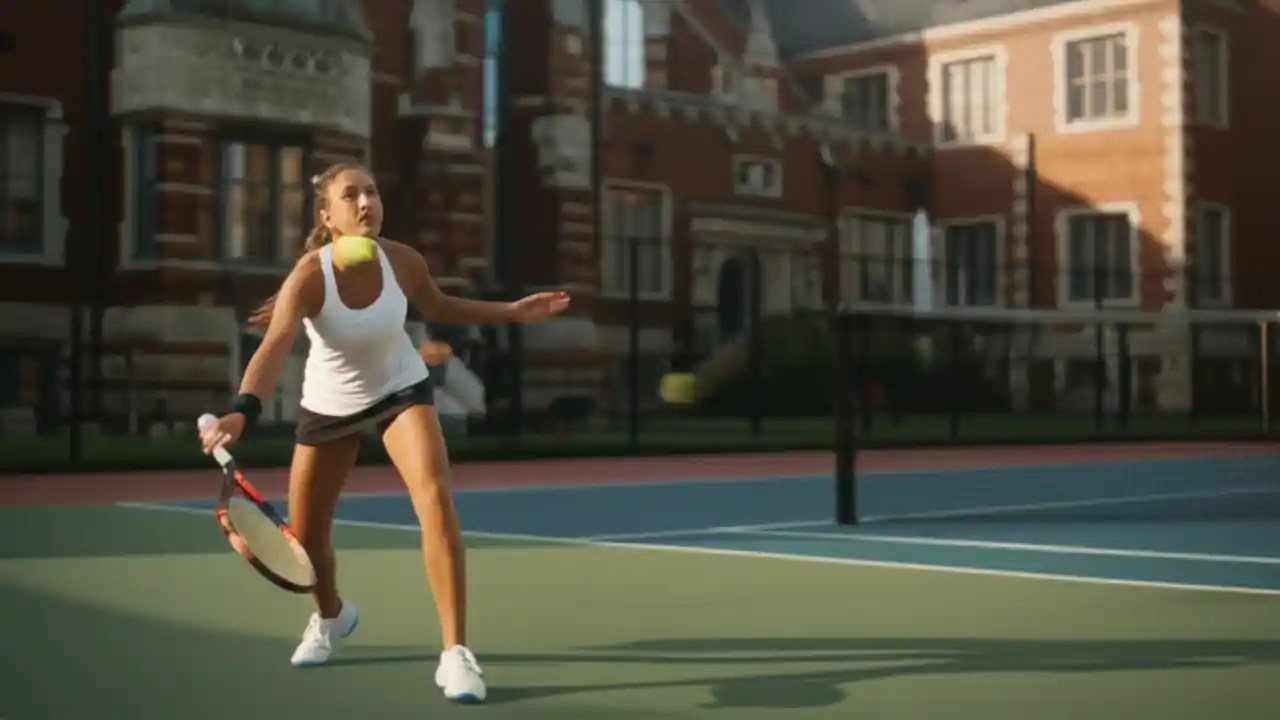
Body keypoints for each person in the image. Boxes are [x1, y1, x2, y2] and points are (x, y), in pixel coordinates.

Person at [197, 160, 570, 704]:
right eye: (351, 196)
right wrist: (241, 412)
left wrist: (513, 311)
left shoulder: (402, 260)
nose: (366, 202)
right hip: (329, 406)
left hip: (400, 389)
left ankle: (455, 654)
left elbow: (441, 305)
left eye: (372, 191)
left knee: (436, 498)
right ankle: (331, 617)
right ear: (328, 215)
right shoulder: (309, 276)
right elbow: (275, 345)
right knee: (307, 537)